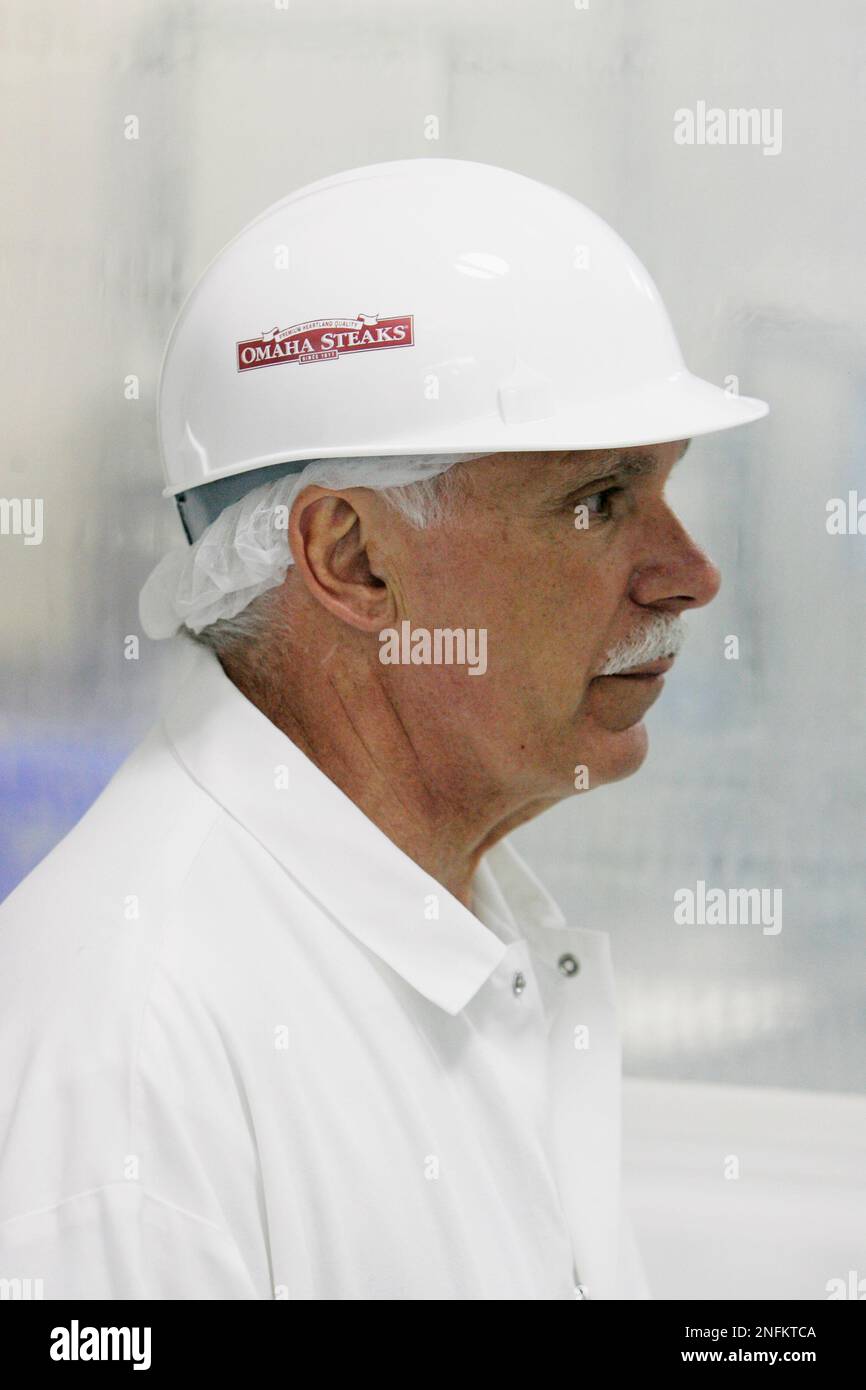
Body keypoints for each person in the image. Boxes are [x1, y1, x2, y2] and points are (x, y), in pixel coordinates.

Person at [0, 159, 768, 1299]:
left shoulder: (455, 926)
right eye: (599, 500)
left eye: (662, 489)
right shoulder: (130, 1059)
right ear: (352, 559)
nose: (688, 575)